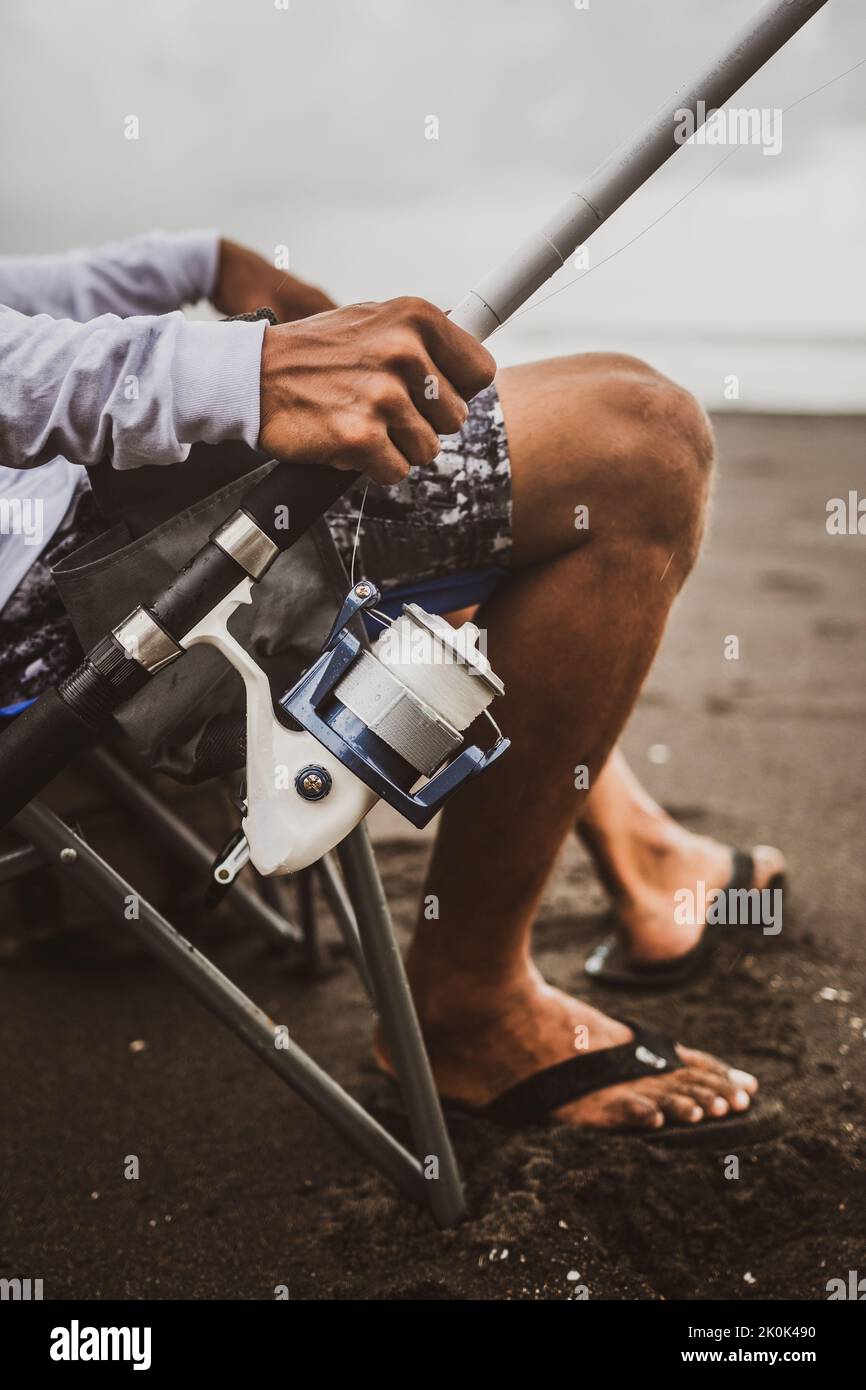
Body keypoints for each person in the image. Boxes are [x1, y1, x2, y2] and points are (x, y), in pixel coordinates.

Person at [0, 230, 783, 1130]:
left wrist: (208, 268)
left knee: (522, 434)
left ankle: (645, 852)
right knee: (639, 442)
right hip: (52, 603)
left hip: (58, 516)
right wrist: (242, 373)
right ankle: (473, 1006)